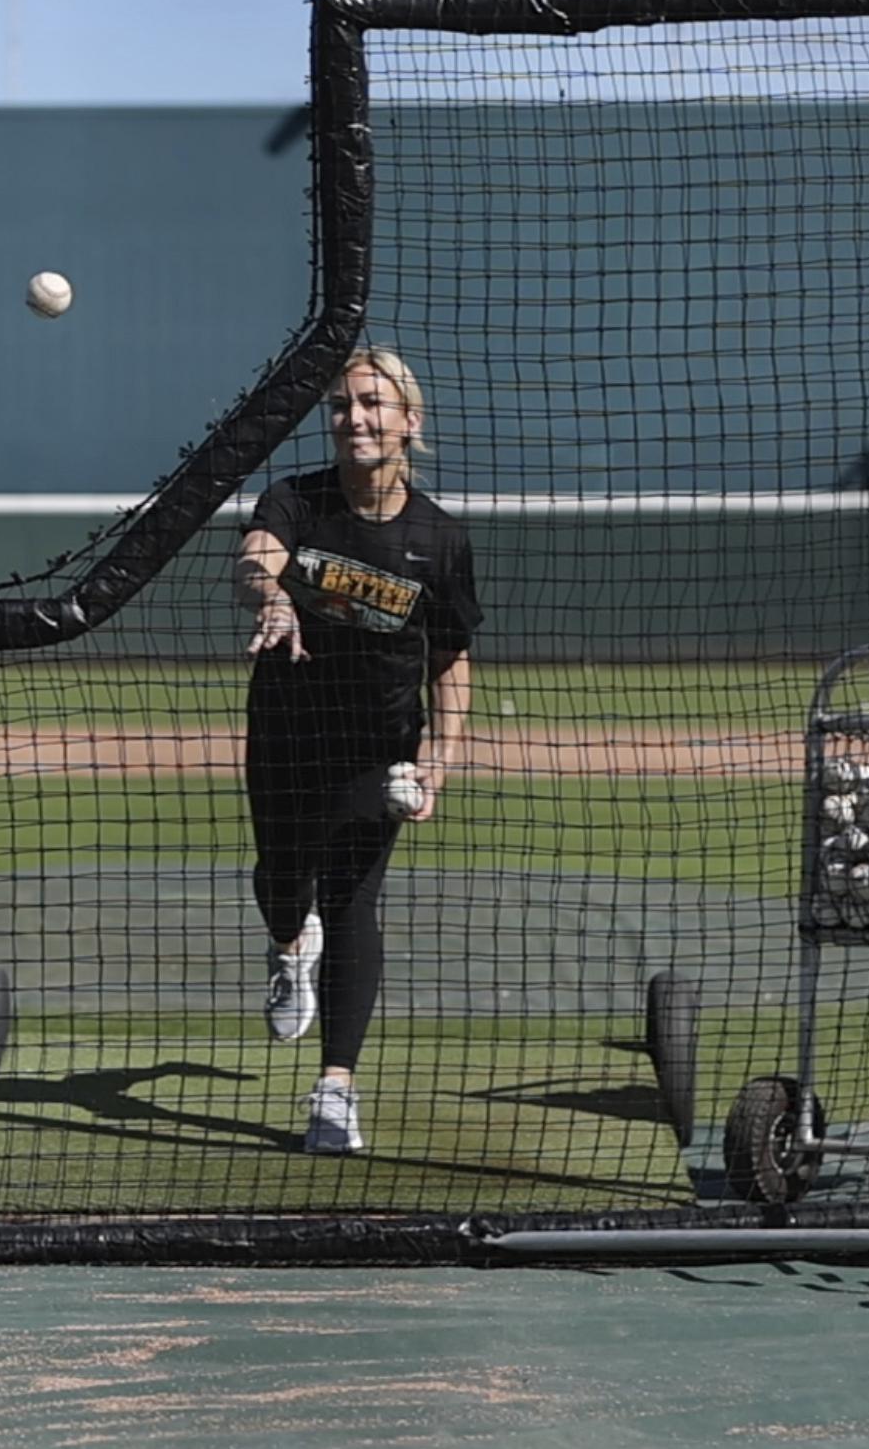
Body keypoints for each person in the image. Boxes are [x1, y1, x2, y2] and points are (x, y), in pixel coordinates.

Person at [235, 348, 479, 1156]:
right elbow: (257, 555)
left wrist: (439, 762)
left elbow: (449, 660)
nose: (355, 418)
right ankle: (286, 946)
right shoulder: (297, 501)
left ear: (410, 421)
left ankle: (335, 1090)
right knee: (281, 882)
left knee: (352, 902)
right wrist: (273, 596)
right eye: (342, 405)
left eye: (373, 404)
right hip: (285, 735)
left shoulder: (439, 540)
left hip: (380, 747)